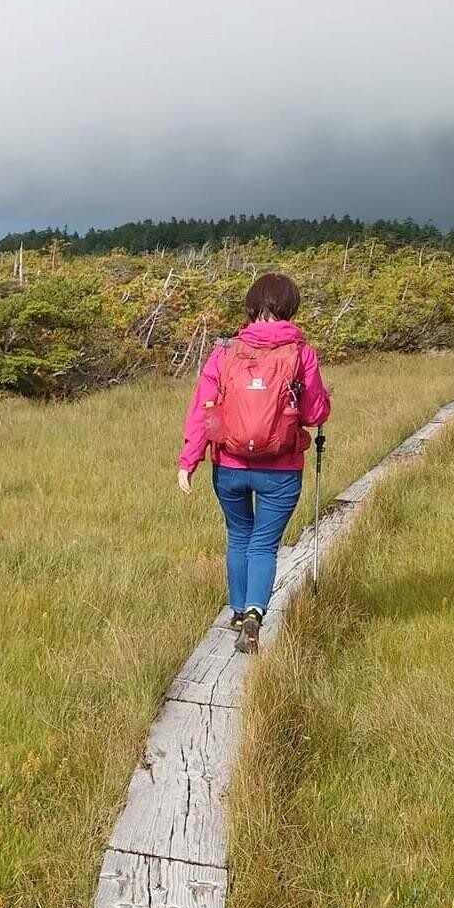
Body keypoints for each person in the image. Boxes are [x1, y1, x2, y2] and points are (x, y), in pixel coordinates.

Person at [177, 273, 330, 653]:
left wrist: (189, 460)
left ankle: (236, 611)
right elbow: (314, 414)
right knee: (263, 543)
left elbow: (203, 411)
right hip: (281, 470)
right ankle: (254, 614)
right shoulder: (301, 353)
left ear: (251, 306)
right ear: (290, 307)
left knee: (239, 535)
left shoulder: (225, 351)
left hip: (229, 466)